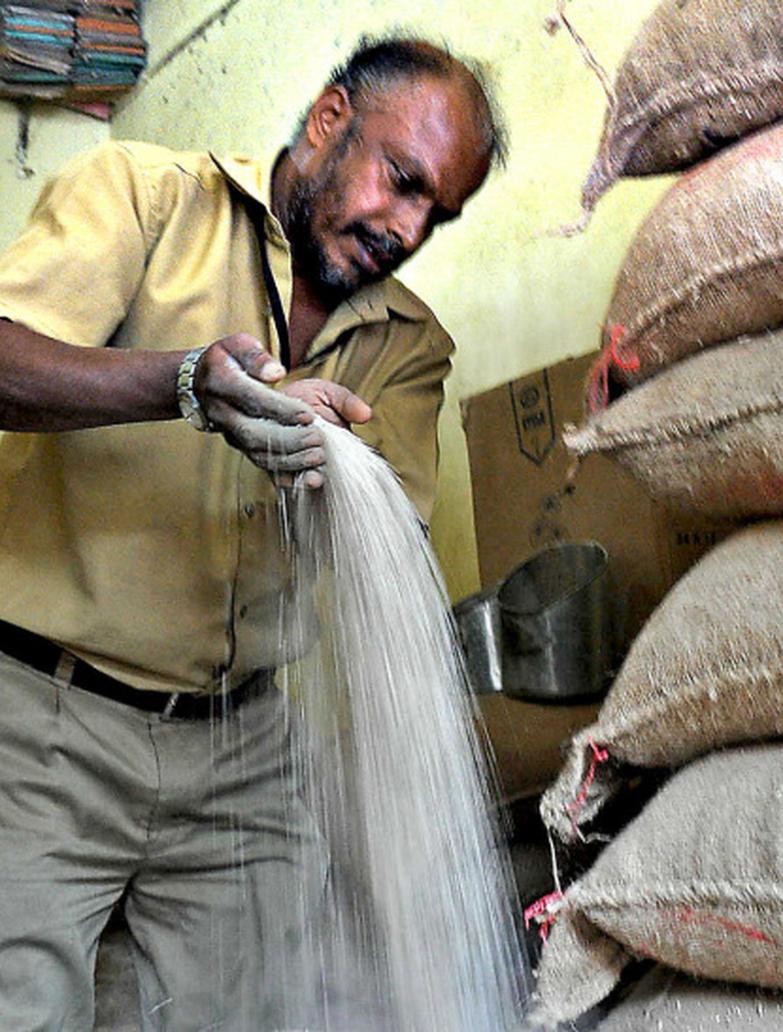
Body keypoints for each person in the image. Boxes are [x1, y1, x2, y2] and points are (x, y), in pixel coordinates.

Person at [0, 34, 502, 1030]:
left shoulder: (408, 344)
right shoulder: (149, 198)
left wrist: (325, 471)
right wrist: (183, 384)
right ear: (328, 121)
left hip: (243, 750)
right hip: (45, 727)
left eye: (432, 213)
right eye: (399, 181)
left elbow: (391, 532)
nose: (403, 228)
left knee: (258, 1009)